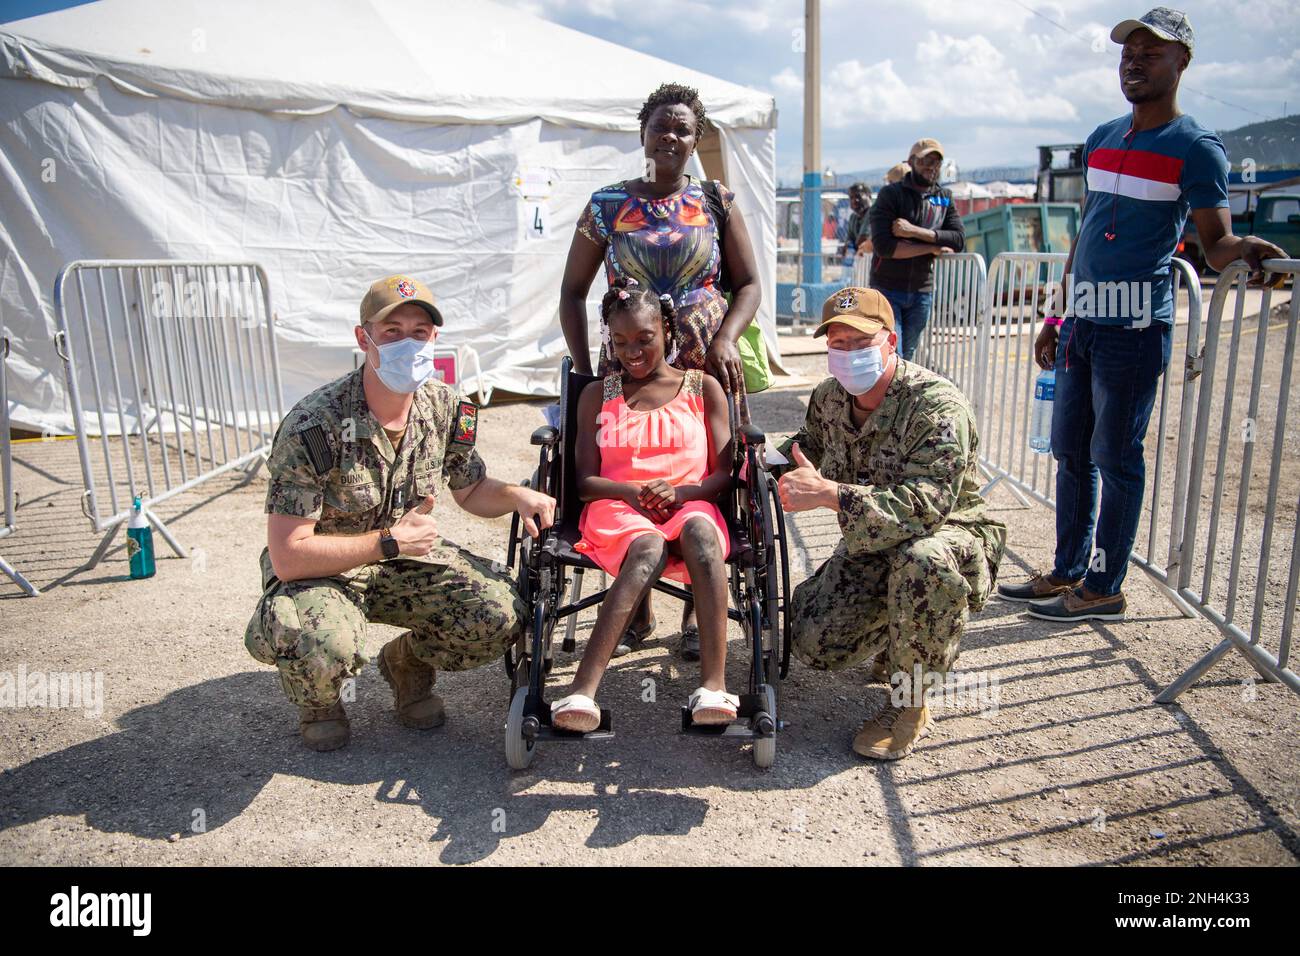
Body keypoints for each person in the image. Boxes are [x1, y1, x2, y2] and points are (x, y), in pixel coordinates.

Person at [998, 7, 1287, 622]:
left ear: (1183, 62)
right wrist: (1058, 316)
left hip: (1135, 329)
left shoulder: (1197, 149)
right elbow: (1085, 232)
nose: (1134, 60)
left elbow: (1216, 245)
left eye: (1151, 52)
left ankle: (1104, 588)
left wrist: (1251, 252)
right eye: (1128, 50)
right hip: (1083, 326)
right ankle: (1068, 569)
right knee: (1070, 452)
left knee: (1115, 456)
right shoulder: (1102, 138)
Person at [243, 275, 556, 751]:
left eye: (419, 331)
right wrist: (387, 541)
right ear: (362, 338)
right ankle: (320, 699)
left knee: (500, 613)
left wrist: (517, 495)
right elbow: (289, 555)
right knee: (320, 642)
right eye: (392, 332)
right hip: (323, 570)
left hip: (406, 558)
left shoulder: (447, 406)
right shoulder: (314, 424)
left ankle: (406, 664)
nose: (407, 343)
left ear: (434, 338)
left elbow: (469, 488)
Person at [558, 81, 762, 660]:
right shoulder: (605, 205)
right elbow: (573, 292)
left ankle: (701, 612)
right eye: (660, 125)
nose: (670, 136)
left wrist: (727, 338)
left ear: (697, 140)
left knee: (701, 469)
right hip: (632, 351)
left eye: (683, 128)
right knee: (631, 465)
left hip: (705, 355)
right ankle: (637, 605)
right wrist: (585, 372)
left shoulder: (716, 200)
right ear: (642, 132)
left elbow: (748, 283)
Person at [774, 287, 1005, 760]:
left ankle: (910, 702)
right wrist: (756, 461)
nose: (848, 354)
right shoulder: (830, 398)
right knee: (813, 641)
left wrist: (831, 495)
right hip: (876, 541)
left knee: (921, 562)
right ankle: (902, 637)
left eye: (861, 343)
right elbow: (808, 444)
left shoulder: (937, 406)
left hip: (949, 537)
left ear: (891, 340)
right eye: (837, 344)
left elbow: (927, 505)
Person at [550, 279, 736, 731]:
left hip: (689, 503)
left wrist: (683, 494)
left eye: (644, 339)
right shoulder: (599, 394)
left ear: (668, 331)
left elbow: (726, 473)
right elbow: (584, 481)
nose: (632, 351)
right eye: (620, 341)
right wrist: (630, 492)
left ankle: (713, 686)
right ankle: (581, 692)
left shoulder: (704, 388)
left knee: (700, 533)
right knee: (649, 545)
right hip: (617, 508)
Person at [868, 138, 965, 360]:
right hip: (887, 288)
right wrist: (934, 247)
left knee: (907, 355)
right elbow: (885, 247)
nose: (931, 167)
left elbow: (958, 239)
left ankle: (896, 394)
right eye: (925, 161)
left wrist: (913, 232)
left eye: (937, 162)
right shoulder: (891, 195)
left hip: (922, 291)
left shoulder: (944, 197)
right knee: (894, 352)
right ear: (912, 162)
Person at [839, 182, 873, 281]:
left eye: (858, 196)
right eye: (851, 198)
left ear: (868, 196)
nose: (855, 200)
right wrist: (849, 246)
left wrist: (852, 246)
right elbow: (848, 243)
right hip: (857, 263)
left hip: (871, 262)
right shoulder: (853, 217)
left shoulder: (873, 212)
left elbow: (863, 240)